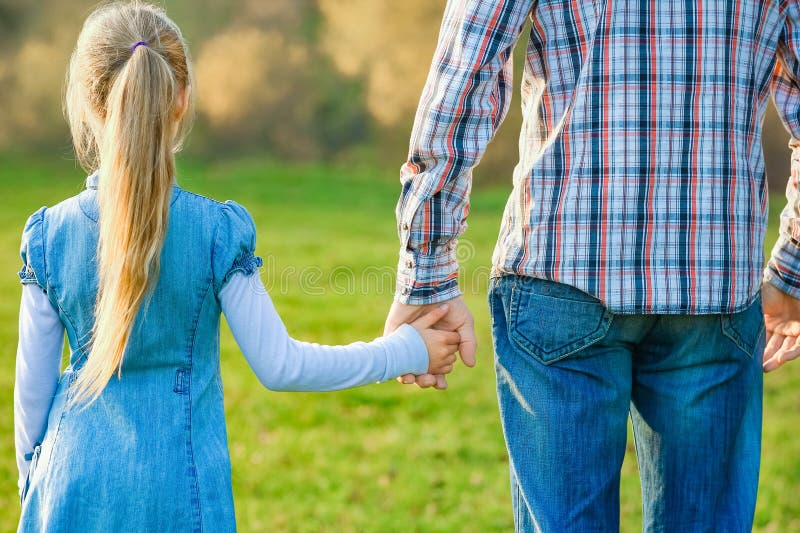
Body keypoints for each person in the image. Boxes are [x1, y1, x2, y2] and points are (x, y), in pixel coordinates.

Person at [14, 2, 461, 530]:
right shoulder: (215, 234)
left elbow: (31, 409)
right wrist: (408, 349)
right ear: (180, 100)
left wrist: (34, 485)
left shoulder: (48, 237)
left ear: (88, 103)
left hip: (69, 492)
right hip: (181, 495)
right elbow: (281, 366)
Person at [384, 0, 800, 530]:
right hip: (713, 285)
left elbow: (466, 73)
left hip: (559, 275)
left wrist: (427, 269)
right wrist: (792, 265)